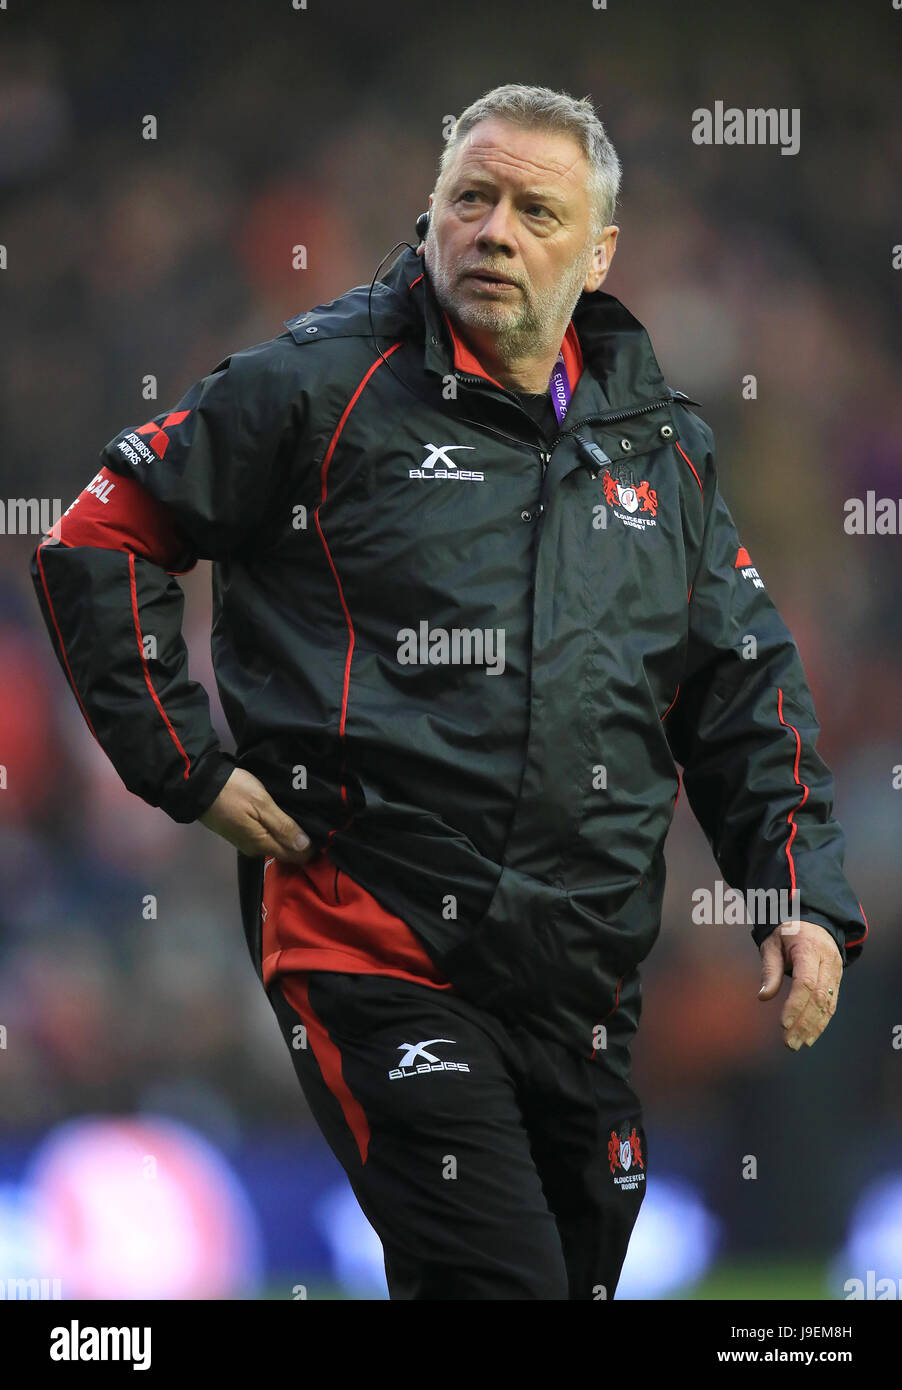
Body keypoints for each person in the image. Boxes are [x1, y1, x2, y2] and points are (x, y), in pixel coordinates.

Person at [30, 82, 867, 1300]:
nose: (493, 230)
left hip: (580, 978)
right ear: (428, 214)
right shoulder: (318, 383)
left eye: (535, 210)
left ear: (599, 253)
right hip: (372, 943)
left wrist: (793, 891)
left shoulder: (658, 445)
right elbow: (98, 536)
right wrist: (184, 764)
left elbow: (740, 687)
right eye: (469, 199)